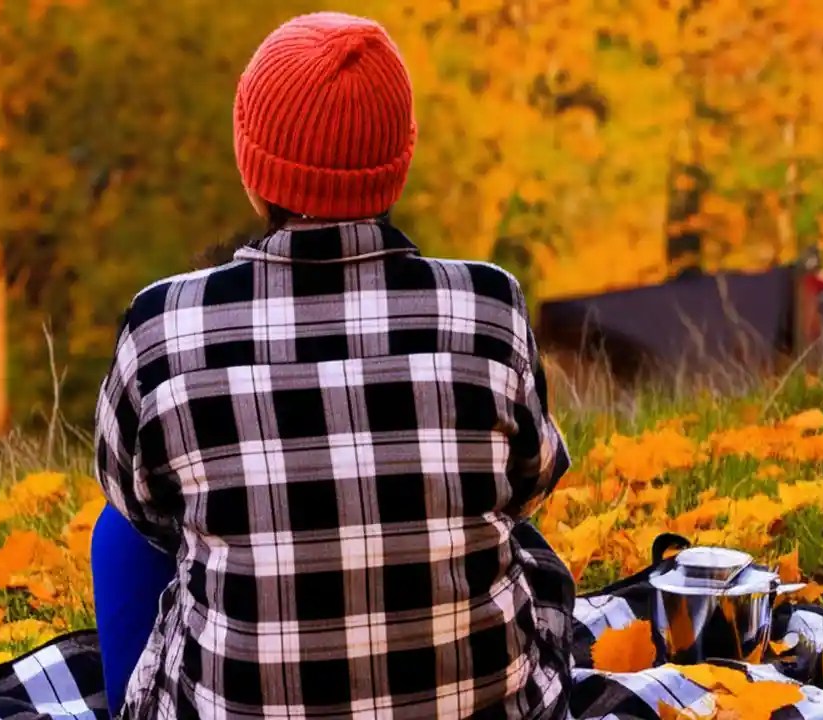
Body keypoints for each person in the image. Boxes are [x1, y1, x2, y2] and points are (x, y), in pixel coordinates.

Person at [91, 11, 574, 719]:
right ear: (402, 158)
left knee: (120, 532)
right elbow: (533, 481)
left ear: (248, 161)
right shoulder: (489, 307)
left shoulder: (162, 328)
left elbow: (137, 501)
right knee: (506, 525)